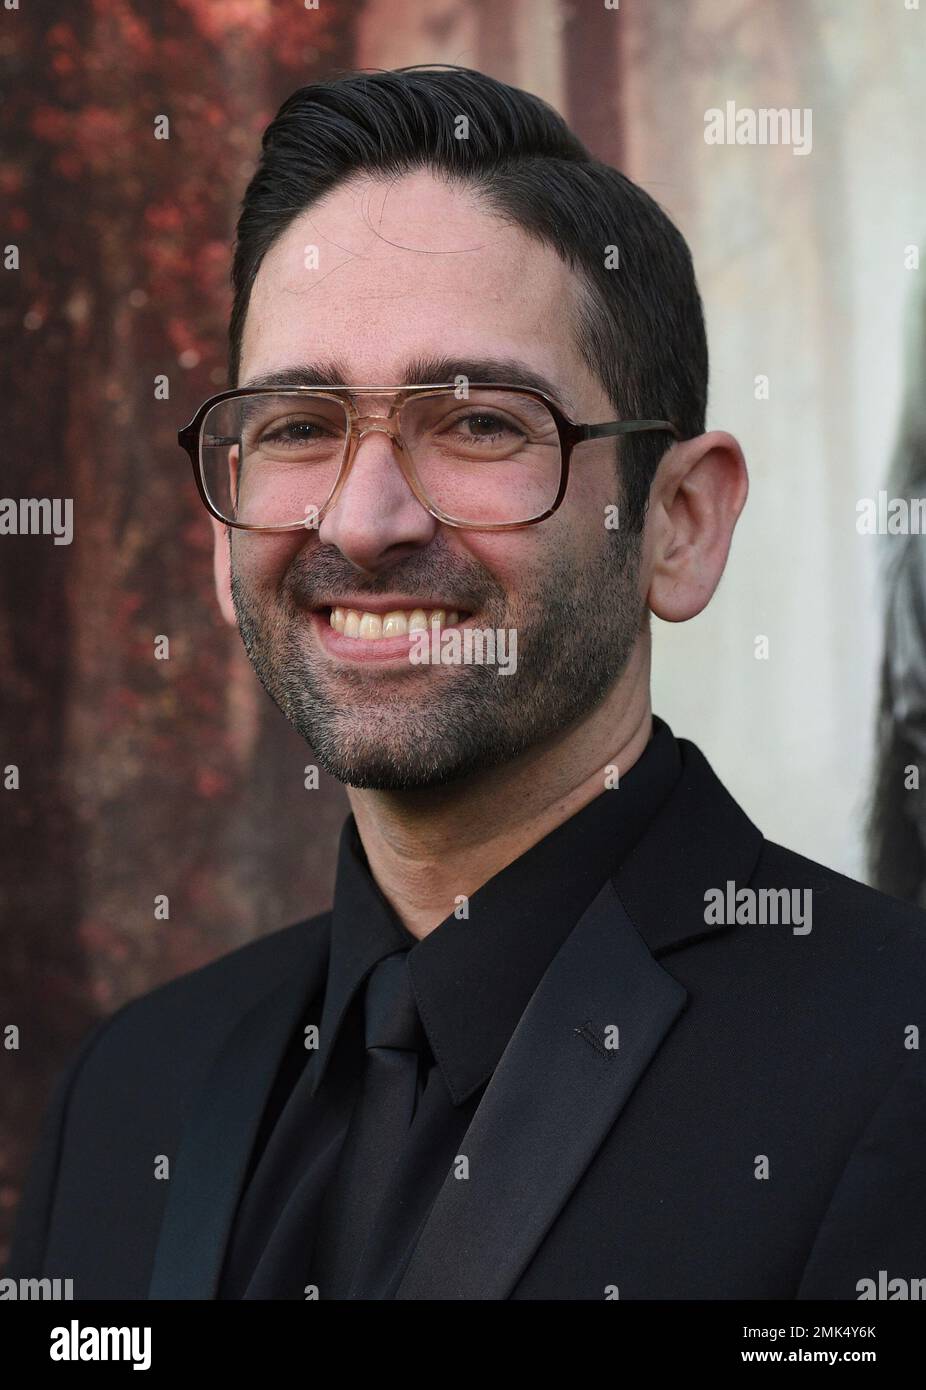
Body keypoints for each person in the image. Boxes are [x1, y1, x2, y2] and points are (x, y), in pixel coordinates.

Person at [7, 63, 926, 1302]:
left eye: (479, 421)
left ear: (679, 523)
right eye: (296, 426)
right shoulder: (128, 1093)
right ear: (221, 542)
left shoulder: (888, 1060)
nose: (367, 518)